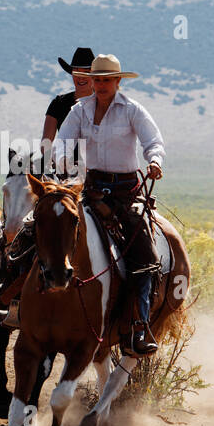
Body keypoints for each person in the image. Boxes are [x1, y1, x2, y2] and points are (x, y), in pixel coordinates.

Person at [53, 53, 164, 356]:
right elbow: (61, 141)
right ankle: (19, 302)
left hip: (126, 193)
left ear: (117, 81)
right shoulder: (79, 111)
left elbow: (153, 141)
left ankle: (139, 325)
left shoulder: (132, 110)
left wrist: (154, 161)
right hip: (90, 188)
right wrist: (63, 160)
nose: (100, 85)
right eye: (96, 80)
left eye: (106, 80)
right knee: (46, 227)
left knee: (144, 257)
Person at [41, 47, 96, 167]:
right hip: (64, 167)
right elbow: (46, 142)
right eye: (77, 72)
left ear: (93, 75)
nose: (81, 77)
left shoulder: (103, 104)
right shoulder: (59, 103)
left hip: (97, 168)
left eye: (85, 73)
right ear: (71, 74)